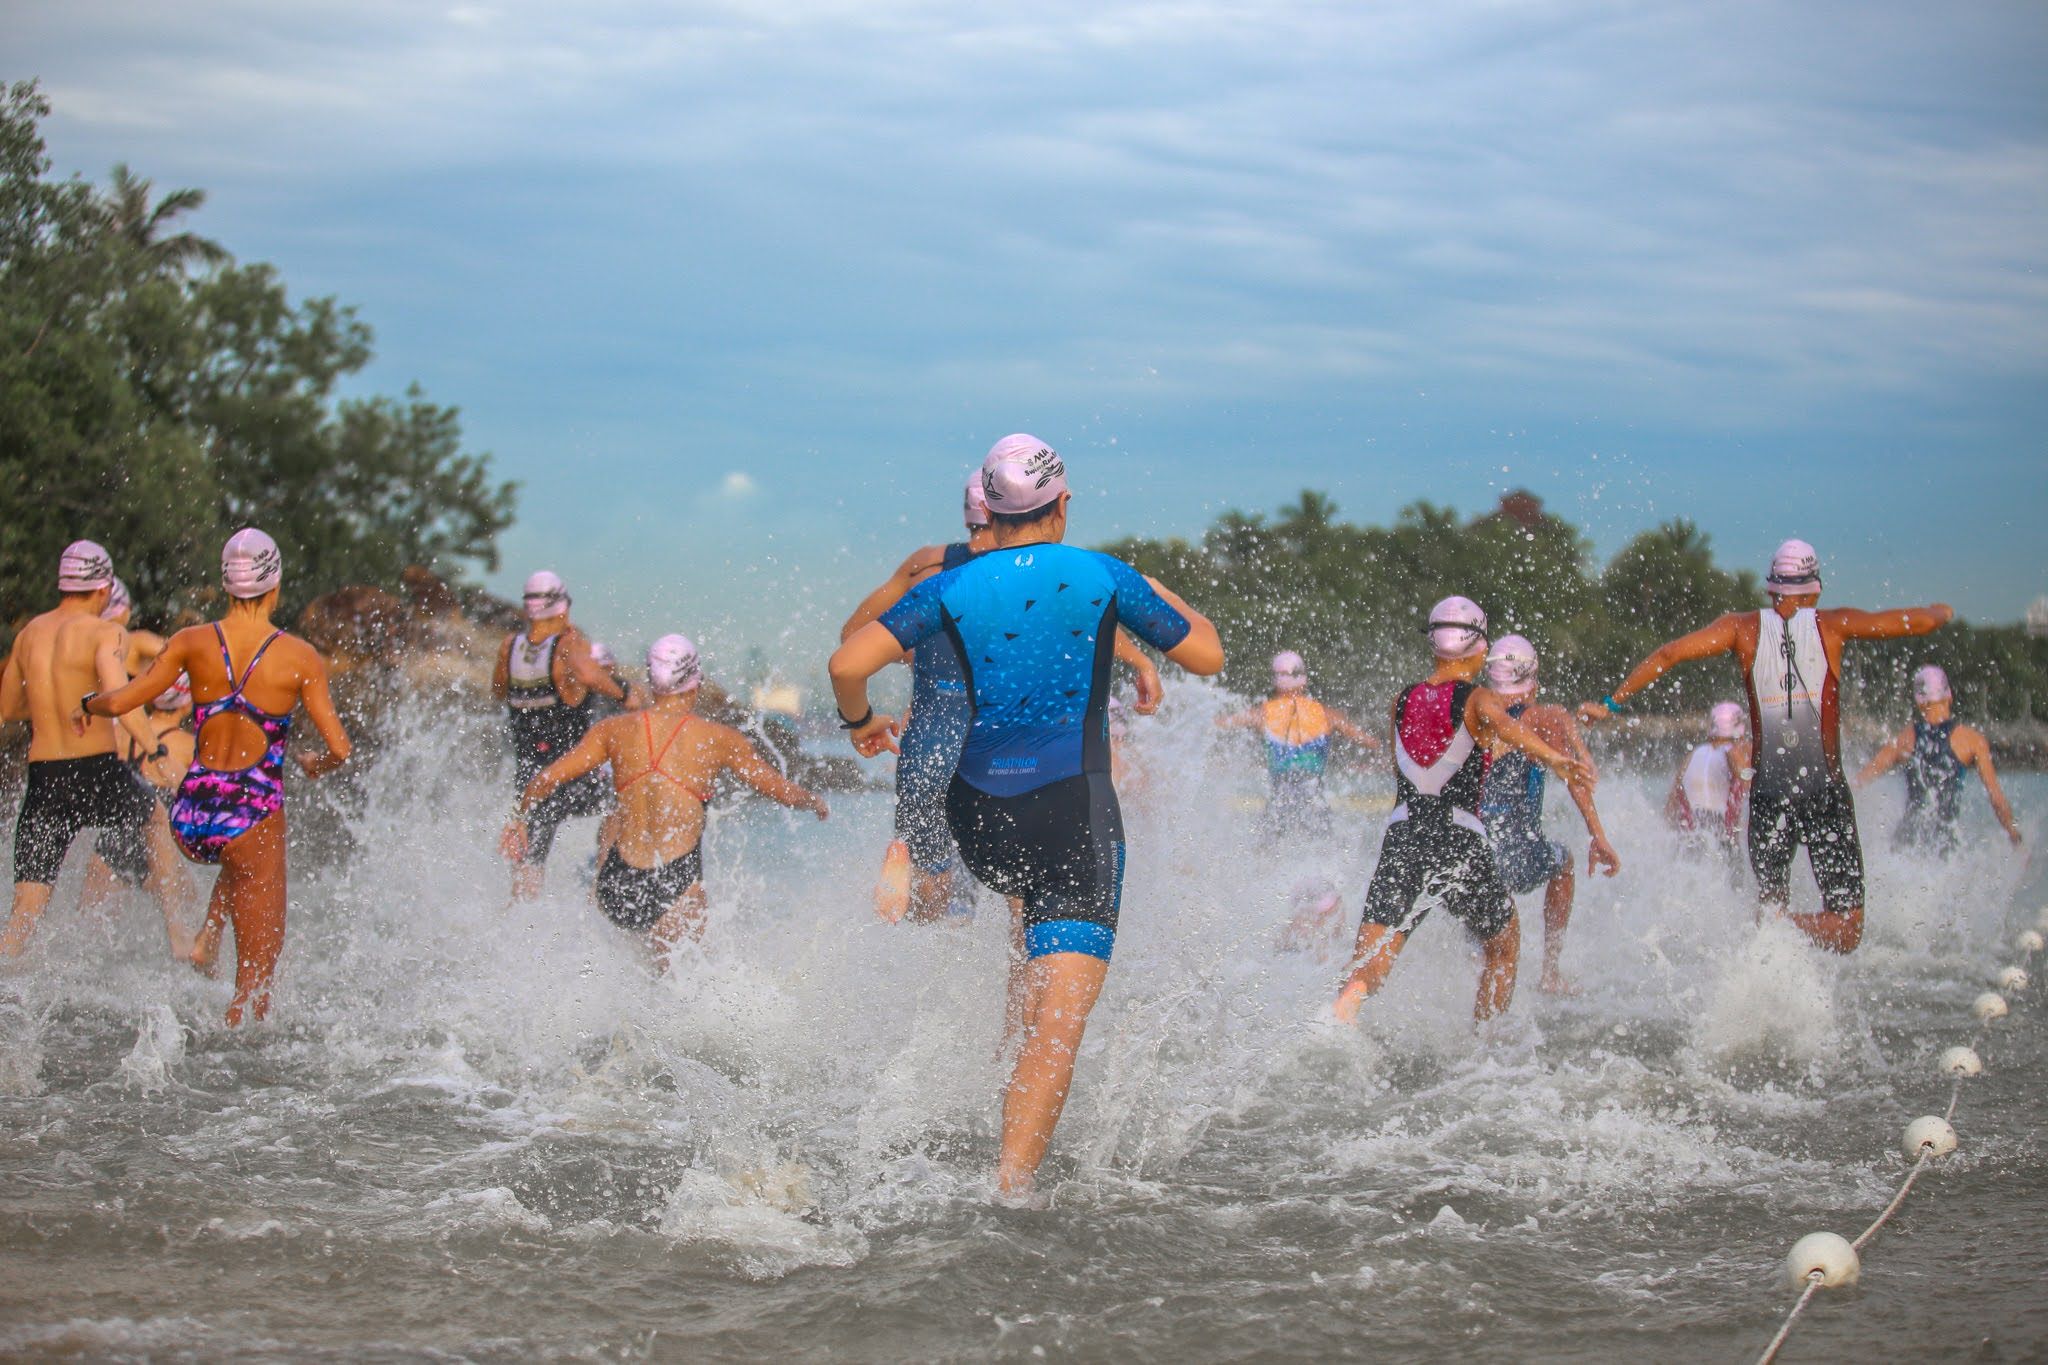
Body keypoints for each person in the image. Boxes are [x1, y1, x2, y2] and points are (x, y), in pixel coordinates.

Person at [830, 434, 1224, 1200]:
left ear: (987, 506)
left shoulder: (948, 583)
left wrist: (860, 724)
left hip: (978, 815)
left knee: (1025, 936)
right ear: (1063, 503)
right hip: (1072, 814)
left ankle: (991, 1065)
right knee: (1059, 1021)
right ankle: (1010, 1189)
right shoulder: (1102, 575)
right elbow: (1206, 654)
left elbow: (847, 663)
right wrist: (1153, 589)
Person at [1578, 539, 1951, 952]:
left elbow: (1669, 654)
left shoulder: (1741, 629)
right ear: (1815, 590)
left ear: (1771, 589)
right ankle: (1784, 928)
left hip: (1769, 795)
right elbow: (1913, 622)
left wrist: (1611, 703)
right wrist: (1941, 612)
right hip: (1823, 792)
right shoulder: (1834, 624)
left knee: (1769, 906)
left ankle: (1767, 947)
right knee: (1846, 930)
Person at [841, 472, 1165, 925]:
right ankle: (1016, 990)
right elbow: (1085, 621)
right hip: (999, 748)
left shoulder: (926, 568)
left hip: (929, 745)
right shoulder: (1030, 570)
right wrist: (1140, 663)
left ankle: (908, 871)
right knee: (1026, 900)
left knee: (932, 897)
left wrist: (915, 656)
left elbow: (852, 637)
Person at [81, 529, 352, 1024]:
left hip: (190, 814)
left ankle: (207, 937)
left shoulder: (190, 642)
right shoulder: (299, 657)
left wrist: (87, 705)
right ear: (275, 587)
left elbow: (120, 701)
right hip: (252, 814)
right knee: (254, 989)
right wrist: (315, 764)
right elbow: (340, 748)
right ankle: (241, 1050)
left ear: (227, 586)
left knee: (235, 855)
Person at [1332, 598, 1592, 1025]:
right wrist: (1556, 759)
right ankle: (1484, 1047)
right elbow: (1507, 726)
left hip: (1401, 837)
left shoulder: (1402, 699)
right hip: (1458, 841)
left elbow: (1406, 766)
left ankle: (1337, 1022)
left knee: (1368, 966)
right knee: (1503, 945)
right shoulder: (1479, 700)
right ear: (1477, 647)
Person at [501, 634, 827, 965]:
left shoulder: (612, 730)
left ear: (652, 683)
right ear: (695, 682)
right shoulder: (719, 739)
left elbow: (545, 779)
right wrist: (813, 801)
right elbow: (776, 788)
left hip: (616, 883)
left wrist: (517, 820)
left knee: (619, 978)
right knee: (681, 989)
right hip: (675, 881)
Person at [3, 542, 200, 963]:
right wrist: (154, 746)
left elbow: (6, 709)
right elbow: (119, 698)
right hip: (94, 772)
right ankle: (180, 936)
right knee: (156, 818)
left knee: (25, 913)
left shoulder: (28, 635)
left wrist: (50, 701)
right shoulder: (105, 632)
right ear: (104, 589)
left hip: (44, 781)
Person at [1476, 635, 1619, 994]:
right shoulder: (1544, 716)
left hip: (1468, 847)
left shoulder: (1474, 710)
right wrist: (1598, 836)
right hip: (1513, 848)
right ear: (1533, 677)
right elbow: (1575, 779)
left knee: (1487, 938)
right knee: (1563, 862)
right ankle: (1550, 972)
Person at [492, 571, 633, 899]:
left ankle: (517, 927)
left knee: (529, 865)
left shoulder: (509, 647)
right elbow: (587, 673)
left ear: (529, 609)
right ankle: (599, 883)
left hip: (531, 779)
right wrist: (624, 693)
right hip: (574, 777)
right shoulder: (568, 645)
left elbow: (499, 690)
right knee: (623, 804)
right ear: (563, 608)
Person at [1855, 665, 2022, 853]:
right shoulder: (1972, 740)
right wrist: (2013, 834)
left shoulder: (1905, 739)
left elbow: (1860, 781)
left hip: (1906, 843)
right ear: (1949, 696)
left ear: (1919, 702)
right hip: (1943, 847)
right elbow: (1997, 799)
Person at [1216, 650, 1379, 837]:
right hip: (1314, 797)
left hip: (1280, 797)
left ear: (1275, 678)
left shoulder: (1263, 713)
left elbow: (1221, 724)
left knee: (1266, 851)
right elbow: (1369, 742)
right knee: (1321, 849)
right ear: (1303, 678)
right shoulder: (1326, 714)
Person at [81, 674, 197, 912]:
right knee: (190, 915)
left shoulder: (125, 731)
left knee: (92, 924)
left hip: (117, 833)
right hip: (158, 838)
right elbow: (195, 798)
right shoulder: (187, 745)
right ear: (187, 702)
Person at [1665, 701, 1752, 862]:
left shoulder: (1692, 755)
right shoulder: (1740, 751)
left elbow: (1671, 806)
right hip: (1723, 839)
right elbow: (1751, 792)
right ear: (1740, 725)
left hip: (1689, 838)